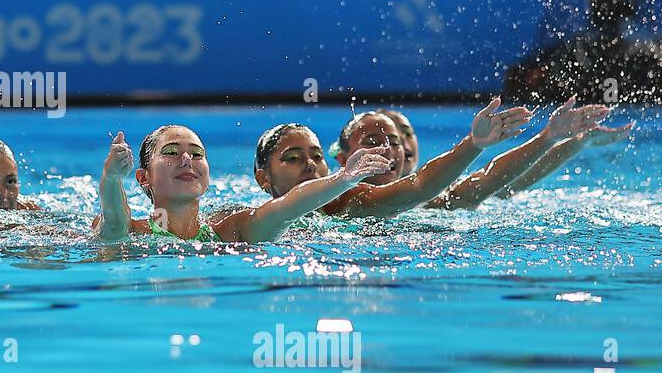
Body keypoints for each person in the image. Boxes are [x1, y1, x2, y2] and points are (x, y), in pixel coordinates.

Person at [94, 125, 392, 243]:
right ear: (144, 178)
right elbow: (115, 219)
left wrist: (342, 179)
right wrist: (111, 177)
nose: (187, 160)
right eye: (171, 153)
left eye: (197, 154)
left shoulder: (232, 230)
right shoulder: (133, 232)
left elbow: (286, 208)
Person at [256, 99, 532, 218]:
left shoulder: (349, 202)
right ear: (263, 177)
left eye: (316, 156)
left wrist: (474, 144)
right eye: (292, 158)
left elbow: (419, 186)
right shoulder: (253, 220)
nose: (309, 164)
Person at [380, 99, 613, 209]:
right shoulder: (358, 194)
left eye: (403, 135)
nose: (394, 145)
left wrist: (572, 142)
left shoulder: (440, 191)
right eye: (383, 139)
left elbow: (509, 181)